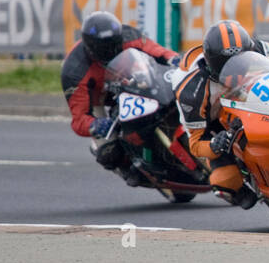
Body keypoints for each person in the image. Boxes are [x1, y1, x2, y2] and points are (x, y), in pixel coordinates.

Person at [174, 21, 269, 209]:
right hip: (213, 119)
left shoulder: (253, 48)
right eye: (225, 63)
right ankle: (243, 189)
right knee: (226, 180)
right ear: (211, 63)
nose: (236, 66)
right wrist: (213, 144)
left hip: (246, 92)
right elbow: (195, 143)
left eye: (243, 59)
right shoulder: (191, 92)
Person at [61, 11, 180, 185]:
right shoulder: (74, 71)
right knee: (108, 151)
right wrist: (94, 124)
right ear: (90, 47)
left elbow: (158, 52)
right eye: (105, 48)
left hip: (129, 78)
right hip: (97, 98)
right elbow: (78, 119)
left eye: (115, 44)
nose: (111, 50)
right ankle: (126, 168)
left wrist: (176, 61)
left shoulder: (128, 35)